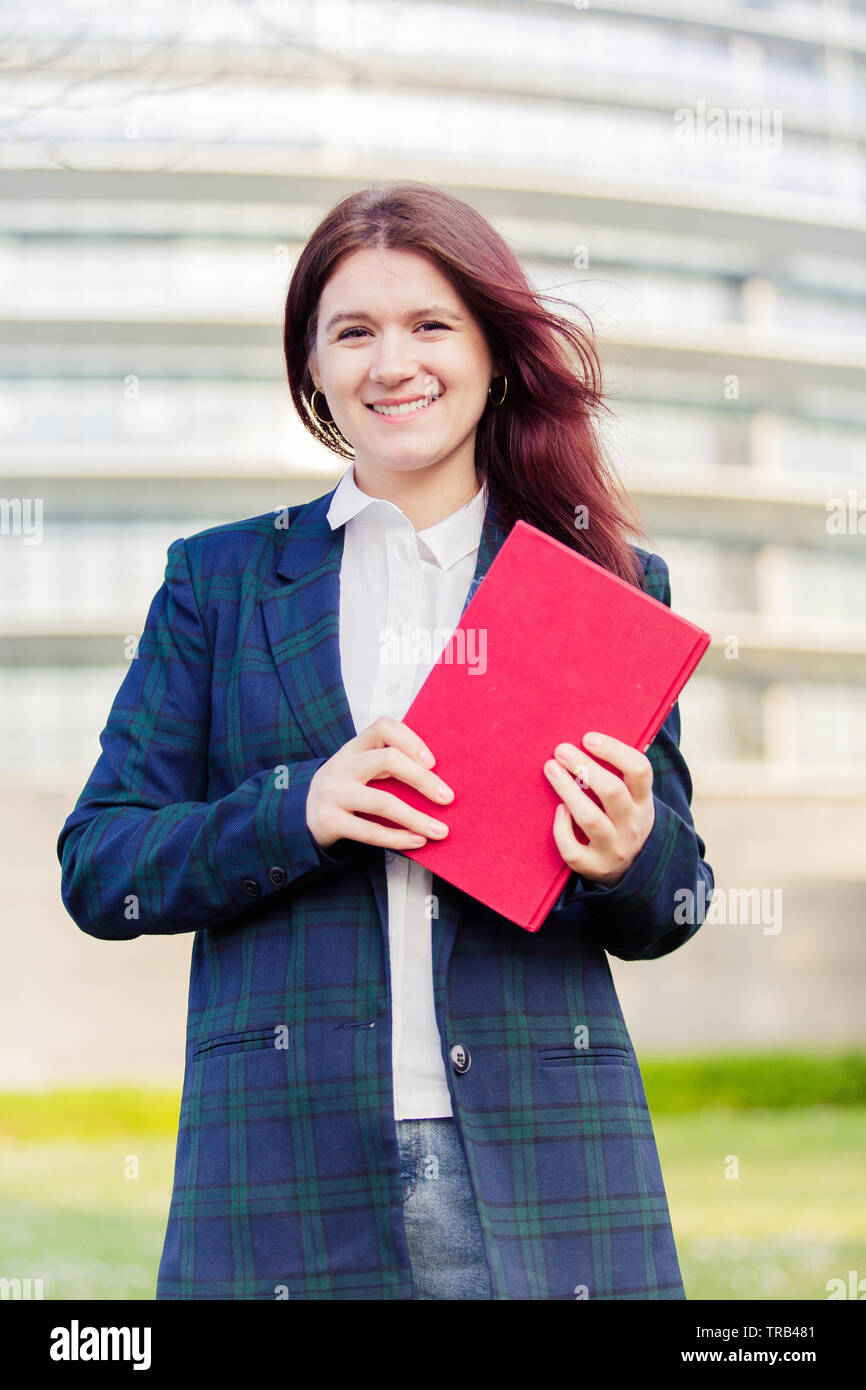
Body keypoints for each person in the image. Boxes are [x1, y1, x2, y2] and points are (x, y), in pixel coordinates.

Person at [57, 180, 714, 1300]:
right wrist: (295, 809)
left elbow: (675, 903)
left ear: (493, 354)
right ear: (309, 366)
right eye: (351, 331)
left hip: (543, 1159)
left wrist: (628, 853)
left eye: (428, 325)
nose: (390, 362)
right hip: (283, 1163)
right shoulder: (219, 581)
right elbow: (100, 865)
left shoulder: (596, 588)